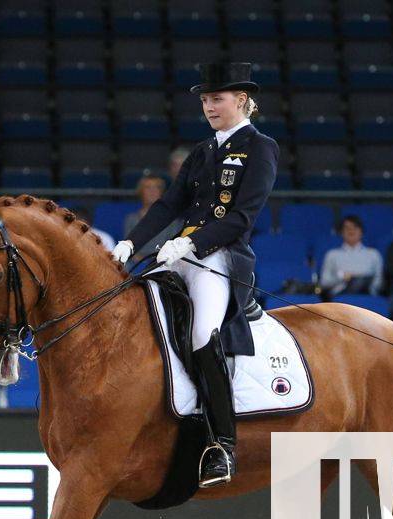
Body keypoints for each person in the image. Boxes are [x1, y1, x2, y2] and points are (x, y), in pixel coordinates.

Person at [112, 62, 278, 488]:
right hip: (176, 255)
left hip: (220, 259)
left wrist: (194, 244)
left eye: (216, 98)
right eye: (205, 100)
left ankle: (222, 444)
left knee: (203, 333)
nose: (208, 106)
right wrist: (132, 243)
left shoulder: (260, 147)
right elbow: (169, 206)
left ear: (241, 100)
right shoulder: (202, 153)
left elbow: (242, 217)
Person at [319, 215, 383, 297]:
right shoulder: (332, 254)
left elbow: (379, 282)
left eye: (355, 227)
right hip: (340, 297)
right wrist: (341, 278)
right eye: (347, 228)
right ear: (341, 232)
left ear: (361, 231)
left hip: (367, 296)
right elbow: (324, 282)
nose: (351, 230)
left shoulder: (374, 254)